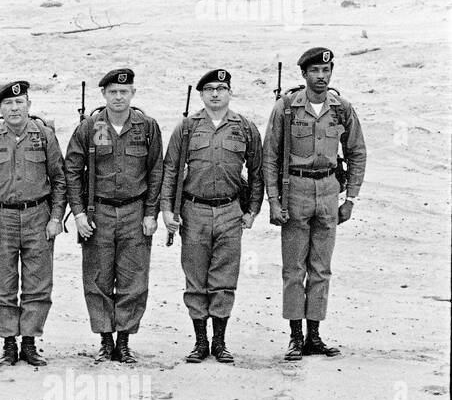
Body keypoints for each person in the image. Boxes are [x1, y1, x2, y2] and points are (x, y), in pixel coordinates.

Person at [262, 47, 367, 361]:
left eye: (326, 71)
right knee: (294, 269)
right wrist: (274, 201)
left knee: (321, 268)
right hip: (295, 190)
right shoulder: (287, 108)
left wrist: (350, 199)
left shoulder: (341, 108)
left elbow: (357, 153)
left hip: (328, 190)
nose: (321, 77)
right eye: (315, 72)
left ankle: (315, 337)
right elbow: (270, 157)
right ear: (304, 74)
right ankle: (295, 337)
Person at [160, 70, 264, 364]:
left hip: (231, 211)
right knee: (195, 279)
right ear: (201, 95)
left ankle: (219, 342)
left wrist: (252, 210)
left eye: (221, 88)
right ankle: (200, 342)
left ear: (230, 92)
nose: (215, 94)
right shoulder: (187, 128)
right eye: (209, 90)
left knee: (224, 279)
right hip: (194, 211)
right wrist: (167, 210)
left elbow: (257, 172)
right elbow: (170, 171)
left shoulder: (244, 127)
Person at [64, 68, 164, 364]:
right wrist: (79, 213)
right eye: (112, 92)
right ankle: (106, 341)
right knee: (98, 278)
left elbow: (156, 170)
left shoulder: (146, 126)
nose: (118, 97)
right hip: (99, 212)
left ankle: (124, 341)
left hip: (135, 212)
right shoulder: (91, 127)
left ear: (133, 93)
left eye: (124, 91)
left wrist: (151, 213)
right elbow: (72, 170)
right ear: (104, 95)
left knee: (134, 279)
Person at [0, 80, 66, 367]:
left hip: (38, 216)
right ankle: (9, 343)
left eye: (19, 102)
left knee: (38, 283)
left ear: (28, 105)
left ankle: (30, 343)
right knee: (1, 283)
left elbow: (59, 179)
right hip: (1, 218)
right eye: (8, 103)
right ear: (0, 108)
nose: (14, 108)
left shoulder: (44, 135)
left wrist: (56, 217)